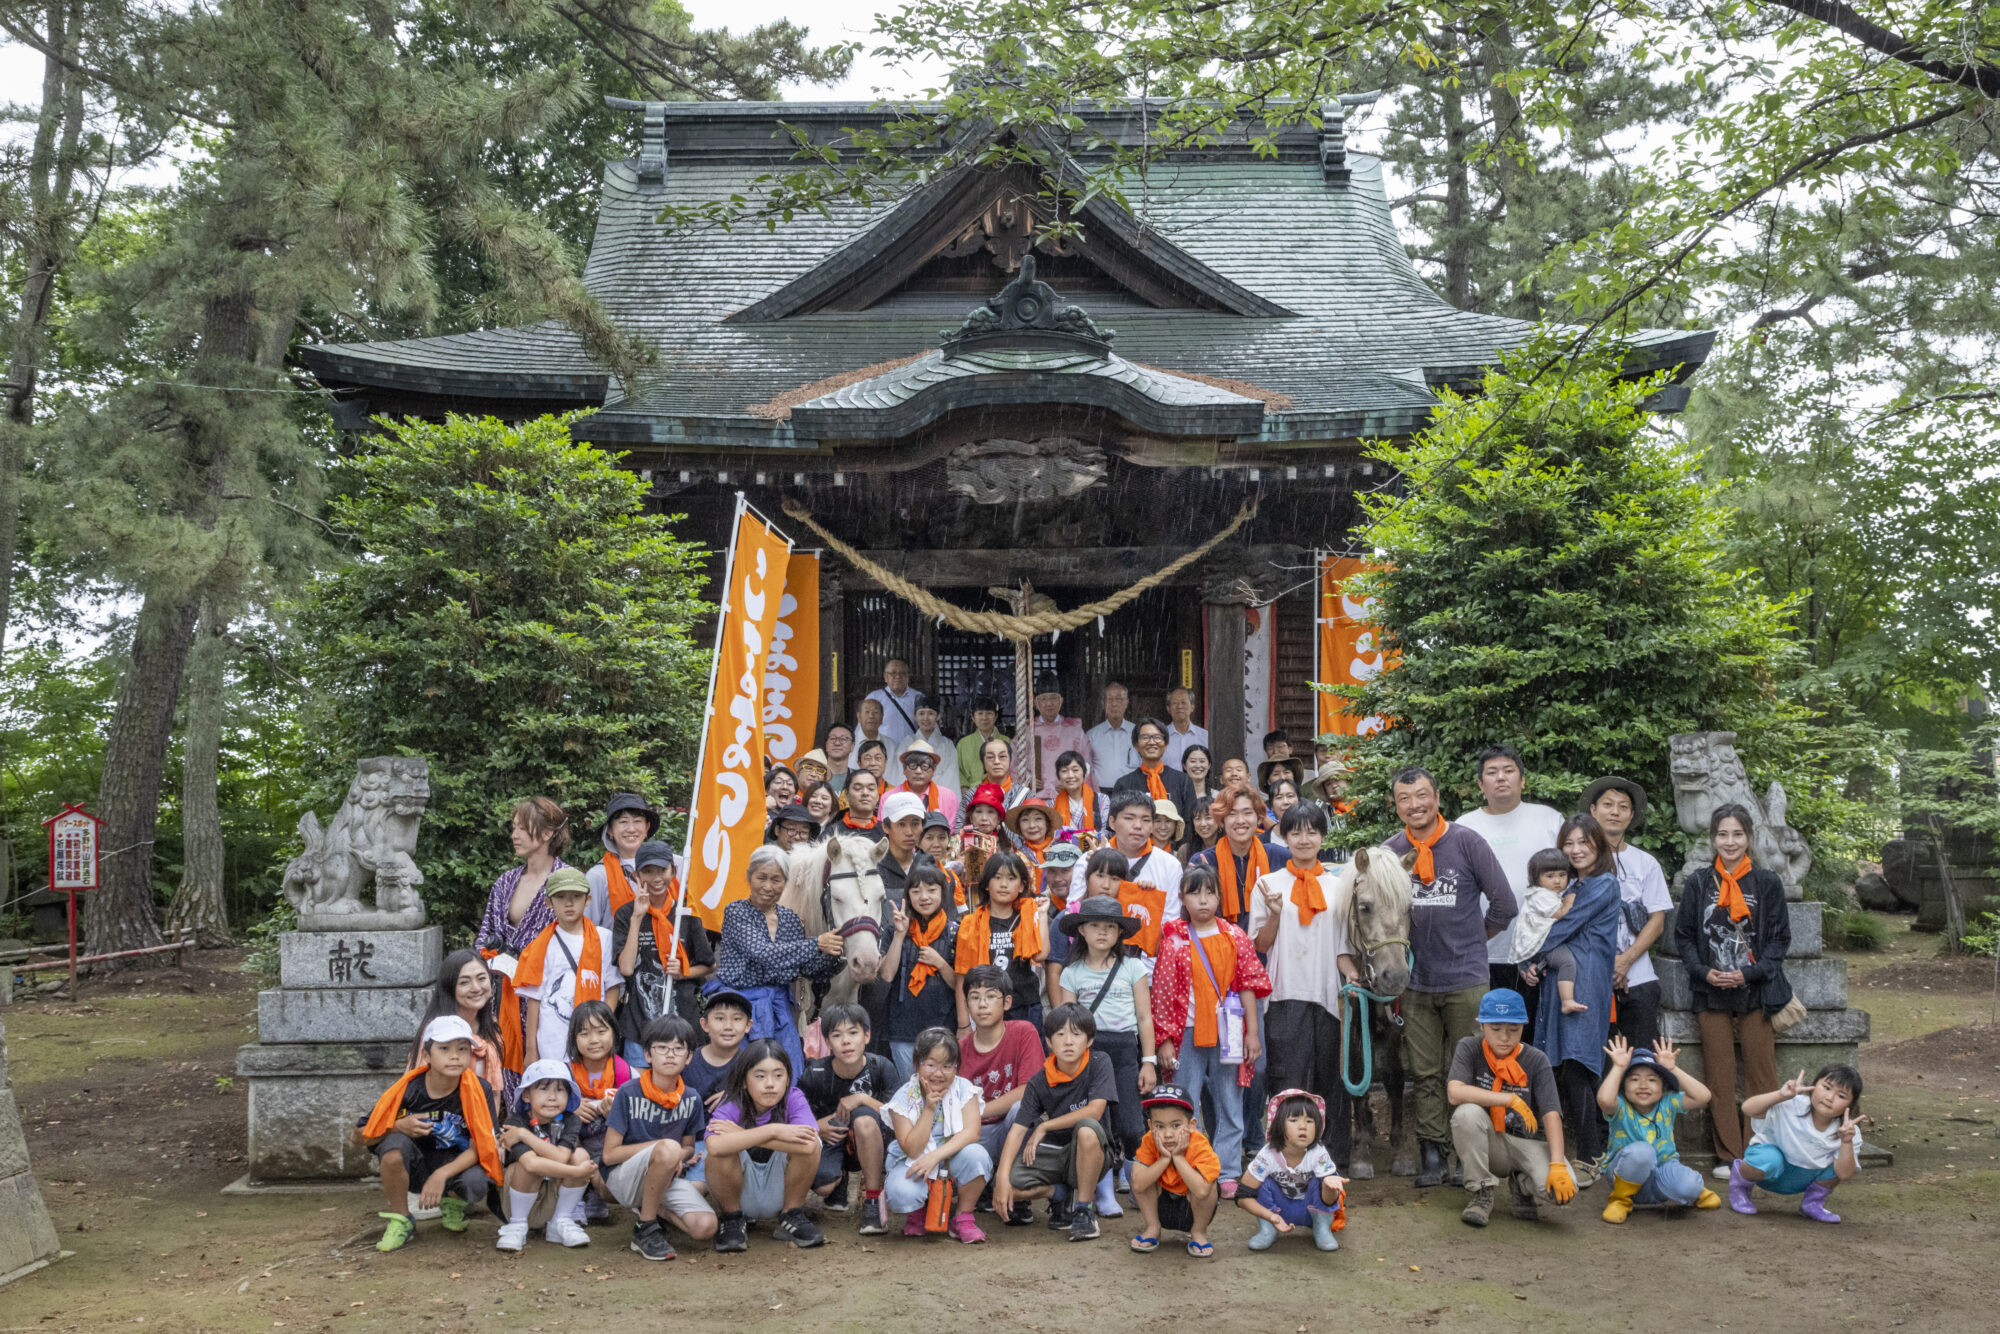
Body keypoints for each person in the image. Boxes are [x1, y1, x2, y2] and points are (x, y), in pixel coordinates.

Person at [1385, 766, 1517, 1188]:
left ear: (1437, 797)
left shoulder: (1466, 842)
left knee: (1471, 1069)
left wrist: (1474, 940)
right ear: (1396, 804)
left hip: (1466, 980)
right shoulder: (1390, 853)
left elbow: (1504, 904)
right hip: (1416, 982)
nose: (1414, 805)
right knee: (1423, 1072)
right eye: (1405, 798)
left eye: (1422, 795)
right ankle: (1431, 1152)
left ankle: (1469, 1154)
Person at [1676, 802, 1792, 1173]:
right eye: (1722, 834)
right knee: (1719, 1077)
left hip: (1756, 991)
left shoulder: (1767, 882)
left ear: (1749, 838)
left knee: (1762, 1076)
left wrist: (1749, 974)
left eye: (1737, 834)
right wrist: (1703, 972)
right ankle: (1730, 1155)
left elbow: (1779, 941)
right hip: (1710, 992)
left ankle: (1759, 1153)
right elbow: (1684, 938)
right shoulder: (1697, 883)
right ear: (1712, 839)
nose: (1730, 841)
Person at [1152, 865, 1271, 1199]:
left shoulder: (1235, 936)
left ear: (1220, 896)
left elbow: (1248, 985)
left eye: (1209, 892)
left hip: (1230, 1030)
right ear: (1182, 898)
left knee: (1230, 1101)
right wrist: (1163, 1040)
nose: (1203, 900)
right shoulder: (1173, 938)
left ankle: (1228, 1171)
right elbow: (1160, 992)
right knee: (1184, 1103)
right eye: (1194, 893)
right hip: (1185, 1033)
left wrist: (1252, 1033)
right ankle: (1190, 1167)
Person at [1249, 803, 1355, 1169]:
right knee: (1288, 1083)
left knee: (1331, 1082)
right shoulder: (1268, 884)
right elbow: (1259, 945)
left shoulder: (1340, 887)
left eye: (1312, 831)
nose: (1304, 839)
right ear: (1285, 836)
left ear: (1323, 836)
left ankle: (1332, 1161)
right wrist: (1276, 914)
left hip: (1328, 997)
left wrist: (1354, 979)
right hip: (1283, 996)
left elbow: (1344, 948)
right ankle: (1284, 1161)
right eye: (1296, 832)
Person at [1521, 814, 1621, 1166]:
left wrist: (1530, 953)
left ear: (1599, 844)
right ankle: (1579, 1151)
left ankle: (1591, 1153)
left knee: (1579, 1064)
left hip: (1586, 982)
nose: (1576, 850)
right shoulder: (1566, 887)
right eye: (1569, 843)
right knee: (1558, 1064)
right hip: (1558, 981)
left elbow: (1564, 927)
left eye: (1584, 842)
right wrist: (1532, 964)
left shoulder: (1603, 884)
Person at [363, 1015, 503, 1253]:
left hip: (454, 1166)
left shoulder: (480, 1089)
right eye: (444, 1048)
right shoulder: (406, 1090)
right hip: (417, 1165)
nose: (455, 1056)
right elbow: (363, 1135)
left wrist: (441, 1175)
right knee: (394, 1147)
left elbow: (483, 1143)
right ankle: (401, 1219)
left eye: (462, 1049)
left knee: (477, 1178)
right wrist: (399, 1126)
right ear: (427, 1055)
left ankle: (453, 1203)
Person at [1056, 895, 1157, 1214]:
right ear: (1081, 930)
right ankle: (1103, 1194)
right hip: (1089, 1055)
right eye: (1095, 925)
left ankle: (1138, 1186)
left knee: (1131, 1126)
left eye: (1110, 926)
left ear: (1119, 933)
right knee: (1096, 1123)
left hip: (1126, 1051)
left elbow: (1144, 1018)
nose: (1102, 932)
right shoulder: (1071, 973)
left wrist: (1149, 1062)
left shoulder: (1133, 967)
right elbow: (1066, 1023)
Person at [1445, 989, 1576, 1227]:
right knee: (1465, 1114)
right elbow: (1455, 1092)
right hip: (1490, 1140)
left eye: (1513, 1030)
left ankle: (1522, 1184)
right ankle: (1482, 1192)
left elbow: (1551, 1114)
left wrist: (1557, 1164)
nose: (1504, 1037)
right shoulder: (1469, 1048)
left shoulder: (1536, 1059)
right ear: (1481, 1025)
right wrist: (1507, 1099)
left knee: (1564, 1190)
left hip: (1529, 1141)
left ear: (1524, 1027)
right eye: (1496, 1029)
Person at [712, 844, 845, 1071]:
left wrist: (837, 954)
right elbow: (763, 953)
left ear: (785, 882)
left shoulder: (790, 919)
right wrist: (817, 943)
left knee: (789, 1070)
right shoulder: (736, 912)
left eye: (776, 879)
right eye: (761, 877)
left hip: (779, 1007)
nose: (767, 886)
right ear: (749, 877)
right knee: (746, 1073)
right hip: (739, 1009)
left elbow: (806, 967)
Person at [992, 1003, 1116, 1242]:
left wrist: (1046, 1125)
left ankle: (1083, 1210)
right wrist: (1001, 1178)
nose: (1068, 1042)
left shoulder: (1100, 1062)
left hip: (1091, 1153)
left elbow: (1095, 1110)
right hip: (1055, 1154)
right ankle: (1059, 1193)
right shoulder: (1039, 1081)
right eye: (1060, 1034)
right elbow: (1017, 1131)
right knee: (1010, 1185)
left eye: (1076, 1034)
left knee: (1087, 1129)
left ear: (1089, 1041)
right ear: (1048, 1041)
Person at [600, 1014, 717, 1260]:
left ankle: (651, 1208)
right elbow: (610, 1155)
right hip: (623, 1178)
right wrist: (663, 1149)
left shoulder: (691, 1098)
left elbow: (687, 1148)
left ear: (689, 1057)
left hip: (664, 1176)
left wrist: (676, 1155)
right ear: (647, 1055)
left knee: (706, 1227)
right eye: (662, 1048)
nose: (670, 1054)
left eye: (678, 1049)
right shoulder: (628, 1092)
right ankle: (645, 1228)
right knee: (667, 1149)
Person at [1455, 747, 1565, 998]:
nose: (1501, 778)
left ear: (1523, 780)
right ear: (1481, 784)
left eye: (1508, 771)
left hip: (1540, 953)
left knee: (1533, 1033)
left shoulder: (1549, 820)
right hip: (1480, 953)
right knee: (1486, 1032)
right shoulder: (1464, 826)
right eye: (1492, 773)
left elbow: (1571, 880)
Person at [477, 796, 572, 1074]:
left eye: (521, 828)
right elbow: (486, 936)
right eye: (514, 827)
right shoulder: (505, 881)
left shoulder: (567, 880)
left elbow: (576, 941)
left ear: (546, 834)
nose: (514, 835)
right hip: (501, 993)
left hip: (546, 996)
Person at [703, 1039, 827, 1250]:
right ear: (743, 1080)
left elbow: (808, 1146)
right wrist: (774, 1130)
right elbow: (714, 1147)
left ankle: (791, 1215)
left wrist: (745, 1135)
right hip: (740, 1193)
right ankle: (732, 1219)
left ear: (788, 1078)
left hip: (780, 1188)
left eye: (778, 1075)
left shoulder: (794, 1098)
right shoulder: (732, 1102)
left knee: (814, 1142)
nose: (770, 1084)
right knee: (722, 1151)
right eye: (760, 1076)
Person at [1582, 774, 1674, 1048]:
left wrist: (1625, 961)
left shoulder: (1646, 863)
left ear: (1631, 815)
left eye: (1623, 806)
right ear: (1593, 810)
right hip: (1591, 977)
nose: (1615, 812)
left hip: (1639, 976)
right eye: (1608, 804)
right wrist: (1604, 965)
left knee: (1644, 1058)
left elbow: (1657, 920)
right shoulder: (1578, 859)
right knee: (1596, 1061)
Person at [880, 1028, 993, 1241]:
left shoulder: (964, 1088)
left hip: (950, 1157)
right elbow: (912, 1148)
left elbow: (971, 1132)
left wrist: (935, 1156)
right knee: (900, 1193)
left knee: (977, 1156)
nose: (938, 1073)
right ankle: (918, 1211)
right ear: (917, 1064)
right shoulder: (903, 1097)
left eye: (947, 1066)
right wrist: (929, 1109)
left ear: (956, 1067)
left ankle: (963, 1217)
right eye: (930, 1065)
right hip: (914, 1159)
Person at [1596, 1036, 1721, 1222]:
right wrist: (1618, 1067)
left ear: (1664, 1088)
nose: (1643, 1085)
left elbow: (1703, 1096)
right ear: (1623, 1086)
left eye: (1652, 1080)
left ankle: (1694, 1192)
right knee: (1642, 1152)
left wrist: (1672, 1069)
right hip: (1624, 1176)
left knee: (1689, 1186)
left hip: (1660, 1179)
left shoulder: (1668, 1102)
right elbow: (1605, 1100)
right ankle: (1620, 1201)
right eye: (1634, 1079)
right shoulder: (1620, 1105)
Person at [957, 965, 1043, 1222]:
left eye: (990, 996)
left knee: (1021, 1110)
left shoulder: (1024, 1032)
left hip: (1009, 1128)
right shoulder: (959, 1048)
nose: (982, 1004)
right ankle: (981, 1186)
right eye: (974, 997)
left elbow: (1030, 1090)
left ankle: (1018, 1193)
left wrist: (980, 1110)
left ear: (1007, 1002)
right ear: (967, 1004)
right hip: (975, 1134)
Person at [800, 1002, 894, 1234]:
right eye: (837, 1035)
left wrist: (862, 1099)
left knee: (863, 1119)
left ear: (867, 1035)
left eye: (853, 1032)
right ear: (827, 1041)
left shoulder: (881, 1067)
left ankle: (872, 1200)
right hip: (832, 1138)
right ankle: (838, 1181)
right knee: (823, 1187)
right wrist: (815, 1126)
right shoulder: (815, 1074)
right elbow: (794, 1116)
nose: (846, 1041)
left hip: (873, 1138)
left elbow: (897, 1114)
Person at [614, 840, 714, 1060]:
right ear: (637, 876)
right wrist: (637, 918)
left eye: (662, 870)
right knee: (639, 1091)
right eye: (648, 871)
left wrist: (684, 971)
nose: (656, 878)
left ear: (674, 871)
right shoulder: (625, 914)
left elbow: (709, 964)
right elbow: (627, 968)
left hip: (683, 1023)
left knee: (680, 1089)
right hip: (639, 1025)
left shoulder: (686, 911)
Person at [516, 867, 623, 1069]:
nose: (569, 903)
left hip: (594, 1039)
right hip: (553, 1039)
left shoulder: (603, 938)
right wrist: (531, 1049)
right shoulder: (541, 945)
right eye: (561, 897)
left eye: (576, 896)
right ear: (549, 902)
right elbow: (534, 999)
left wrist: (601, 1025)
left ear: (588, 899)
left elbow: (613, 986)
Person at [1731, 1065, 1868, 1223]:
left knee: (1842, 1159)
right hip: (1768, 1171)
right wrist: (1780, 1095)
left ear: (1850, 1105)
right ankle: (1740, 1187)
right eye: (1826, 1087)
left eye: (1841, 1096)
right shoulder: (1792, 1104)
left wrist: (1846, 1142)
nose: (1830, 1098)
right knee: (1769, 1157)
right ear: (1814, 1085)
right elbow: (1748, 1108)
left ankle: (1812, 1204)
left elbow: (1844, 1174)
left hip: (1803, 1179)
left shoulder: (1849, 1131)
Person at [495, 1059, 595, 1252]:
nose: (552, 1097)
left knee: (580, 1154)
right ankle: (517, 1225)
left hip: (553, 1200)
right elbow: (532, 1165)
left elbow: (561, 1156)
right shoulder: (516, 1121)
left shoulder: (571, 1120)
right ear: (526, 1095)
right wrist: (578, 1173)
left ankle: (561, 1221)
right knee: (524, 1166)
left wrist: (524, 1136)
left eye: (560, 1090)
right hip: (518, 1201)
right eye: (543, 1089)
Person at [1239, 1089, 1346, 1252]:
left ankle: (1322, 1230)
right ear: (1279, 1125)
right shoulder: (1267, 1155)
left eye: (1310, 1121)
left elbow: (1329, 1200)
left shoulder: (1318, 1153)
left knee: (1323, 1181)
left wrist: (1329, 1187)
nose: (1303, 1126)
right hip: (1278, 1211)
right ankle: (1268, 1229)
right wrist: (1270, 1217)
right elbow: (1242, 1196)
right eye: (1294, 1120)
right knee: (1262, 1181)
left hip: (1311, 1211)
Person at [953, 850, 1048, 1033]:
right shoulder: (970, 924)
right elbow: (962, 977)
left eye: (1012, 878)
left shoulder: (1027, 917)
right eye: (997, 877)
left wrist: (1042, 915)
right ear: (987, 884)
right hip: (986, 1009)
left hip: (1025, 1007)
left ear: (1022, 886)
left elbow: (1041, 954)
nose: (1004, 884)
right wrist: (963, 1024)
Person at [882, 865, 961, 1080]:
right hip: (902, 1027)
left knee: (940, 1087)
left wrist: (940, 963)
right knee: (910, 1091)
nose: (924, 897)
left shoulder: (955, 931)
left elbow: (959, 985)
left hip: (943, 1025)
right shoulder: (895, 928)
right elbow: (887, 975)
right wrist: (899, 935)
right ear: (907, 895)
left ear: (942, 892)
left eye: (931, 890)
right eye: (916, 891)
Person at [1126, 1082, 1222, 1255]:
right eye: (1160, 1126)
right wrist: (1164, 1159)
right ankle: (1153, 1227)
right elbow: (1138, 1185)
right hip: (1162, 1205)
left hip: (1191, 1209)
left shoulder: (1200, 1145)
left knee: (1210, 1184)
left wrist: (1178, 1157)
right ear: (1150, 1125)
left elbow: (1201, 1191)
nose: (1168, 1134)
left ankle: (1198, 1233)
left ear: (1192, 1124)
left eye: (1176, 1125)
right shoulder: (1149, 1140)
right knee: (1143, 1177)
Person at [409, 948, 512, 1106]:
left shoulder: (492, 1027)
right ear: (450, 988)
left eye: (481, 978)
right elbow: (417, 1091)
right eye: (464, 982)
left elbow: (494, 1093)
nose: (476, 988)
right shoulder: (436, 1033)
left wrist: (492, 1129)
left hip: (482, 1123)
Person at [1068, 788, 1184, 919]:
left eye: (1146, 820)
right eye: (1129, 818)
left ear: (1151, 825)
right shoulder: (1088, 861)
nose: (1138, 826)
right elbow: (1073, 914)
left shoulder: (1170, 865)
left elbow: (1171, 920)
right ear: (1112, 822)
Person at [1189, 778, 1287, 931]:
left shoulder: (1277, 855)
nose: (1240, 821)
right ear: (1221, 821)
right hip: (1221, 947)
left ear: (1259, 818)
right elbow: (1191, 916)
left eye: (1247, 813)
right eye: (1232, 814)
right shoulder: (1203, 861)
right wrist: (1208, 885)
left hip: (1268, 949)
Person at [565, 999, 630, 1226]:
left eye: (601, 1031)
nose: (594, 1040)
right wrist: (569, 1108)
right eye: (584, 1034)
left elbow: (631, 1119)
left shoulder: (623, 1071)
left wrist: (616, 1111)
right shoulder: (565, 1073)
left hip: (606, 1144)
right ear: (573, 1038)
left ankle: (595, 1193)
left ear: (614, 1032)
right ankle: (574, 1199)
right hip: (575, 1143)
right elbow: (546, 1109)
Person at [1509, 848, 1586, 1016]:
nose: (1557, 881)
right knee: (1567, 961)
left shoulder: (1549, 894)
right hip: (1539, 943)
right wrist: (1570, 901)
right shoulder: (1541, 895)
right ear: (1537, 878)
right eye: (1550, 876)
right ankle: (1567, 1000)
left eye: (1562, 875)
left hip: (1539, 944)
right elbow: (1560, 915)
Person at [585, 793, 658, 931]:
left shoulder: (664, 867)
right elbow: (588, 929)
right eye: (623, 822)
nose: (631, 829)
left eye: (637, 821)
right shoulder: (598, 876)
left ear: (647, 828)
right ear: (610, 831)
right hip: (614, 950)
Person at [1115, 719, 1199, 832]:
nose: (1151, 742)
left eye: (1157, 737)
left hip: (1174, 848)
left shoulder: (1182, 780)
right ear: (1136, 745)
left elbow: (1190, 821)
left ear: (1165, 745)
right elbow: (1119, 823)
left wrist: (1180, 849)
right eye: (1145, 737)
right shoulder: (1124, 784)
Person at [1017, 671, 1088, 799]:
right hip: (1035, 799)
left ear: (1061, 701)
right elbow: (1013, 765)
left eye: (1053, 698)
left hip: (1068, 797)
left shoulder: (1075, 730)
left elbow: (1087, 765)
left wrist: (1073, 782)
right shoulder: (1026, 731)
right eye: (1043, 699)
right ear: (1036, 703)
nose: (1049, 703)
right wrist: (1028, 780)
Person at [686, 988, 752, 1110]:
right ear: (704, 1024)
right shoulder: (686, 1061)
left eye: (737, 1019)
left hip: (735, 1127)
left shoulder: (751, 1065)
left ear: (748, 1025)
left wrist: (737, 1095)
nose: (728, 1026)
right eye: (720, 1018)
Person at [892, 736, 960, 824]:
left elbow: (953, 834)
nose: (918, 771)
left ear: (934, 770)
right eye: (913, 766)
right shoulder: (891, 797)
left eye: (924, 767)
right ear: (904, 768)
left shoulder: (949, 798)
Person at [1085, 681, 1139, 790]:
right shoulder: (1091, 736)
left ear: (1126, 703)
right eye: (1110, 700)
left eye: (1119, 699)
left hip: (1132, 791)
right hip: (1101, 793)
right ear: (1103, 704)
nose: (1114, 704)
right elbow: (1086, 770)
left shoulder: (1138, 732)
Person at [909, 696, 962, 804]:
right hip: (913, 800)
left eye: (931, 713)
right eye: (921, 713)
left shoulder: (947, 744)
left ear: (938, 716)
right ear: (915, 716)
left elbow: (952, 776)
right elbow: (902, 776)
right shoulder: (907, 743)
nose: (926, 718)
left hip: (941, 800)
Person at [1006, 796, 1061, 895]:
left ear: (1047, 823)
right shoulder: (1016, 857)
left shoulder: (1060, 852)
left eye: (1038, 819)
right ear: (1019, 826)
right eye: (1025, 820)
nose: (1032, 825)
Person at [866, 658, 923, 751]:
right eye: (893, 673)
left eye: (902, 673)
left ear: (908, 676)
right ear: (885, 677)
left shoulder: (918, 697)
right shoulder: (874, 698)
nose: (898, 676)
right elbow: (862, 730)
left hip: (912, 754)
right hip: (883, 755)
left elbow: (930, 728)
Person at [1051, 749, 1107, 836]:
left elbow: (1107, 831)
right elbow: (1052, 833)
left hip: (1095, 847)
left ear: (1084, 772)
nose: (1070, 775)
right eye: (1064, 771)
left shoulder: (1102, 800)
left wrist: (1081, 838)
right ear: (1059, 776)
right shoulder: (1052, 804)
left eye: (1075, 770)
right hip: (1065, 848)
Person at [918, 811, 968, 909]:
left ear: (948, 840)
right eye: (929, 838)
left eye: (942, 838)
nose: (936, 844)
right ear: (917, 841)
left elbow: (960, 918)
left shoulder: (951, 878)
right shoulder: (908, 874)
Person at [957, 696, 1003, 792]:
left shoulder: (1006, 742)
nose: (984, 718)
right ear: (973, 718)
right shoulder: (963, 743)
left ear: (995, 717)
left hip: (1001, 793)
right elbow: (959, 772)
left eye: (989, 713)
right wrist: (966, 794)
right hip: (972, 795)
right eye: (980, 713)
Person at [855, 699, 901, 785]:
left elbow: (895, 776)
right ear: (859, 717)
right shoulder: (850, 743)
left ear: (882, 718)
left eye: (875, 712)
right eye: (867, 712)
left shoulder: (890, 745)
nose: (871, 716)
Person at [1162, 687, 1207, 768]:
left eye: (1184, 702)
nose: (1179, 706)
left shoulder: (1205, 736)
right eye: (1175, 703)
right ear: (1168, 708)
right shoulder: (1160, 737)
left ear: (1192, 707)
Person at [839, 769, 884, 841]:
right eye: (858, 788)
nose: (865, 793)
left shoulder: (888, 832)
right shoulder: (833, 834)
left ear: (878, 796)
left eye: (871, 789)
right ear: (846, 795)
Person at [1181, 744, 1216, 810]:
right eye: (1193, 761)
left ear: (1209, 765)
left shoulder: (1217, 797)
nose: (1197, 765)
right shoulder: (1178, 796)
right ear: (1184, 765)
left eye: (1202, 761)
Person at [823, 723, 855, 795]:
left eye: (843, 739)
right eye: (833, 739)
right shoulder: (816, 776)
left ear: (852, 746)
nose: (837, 743)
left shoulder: (858, 777)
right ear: (826, 745)